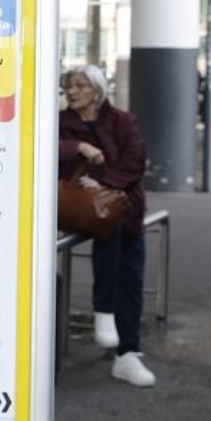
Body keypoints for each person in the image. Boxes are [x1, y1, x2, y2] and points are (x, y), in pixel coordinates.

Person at [59, 64, 156, 387]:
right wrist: (79, 147)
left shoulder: (123, 122)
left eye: (79, 85)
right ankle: (104, 314)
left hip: (120, 207)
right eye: (68, 85)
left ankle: (126, 352)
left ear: (97, 91)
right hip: (79, 209)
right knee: (110, 231)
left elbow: (135, 163)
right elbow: (39, 148)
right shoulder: (59, 123)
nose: (71, 91)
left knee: (129, 270)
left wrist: (103, 183)